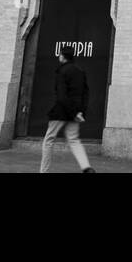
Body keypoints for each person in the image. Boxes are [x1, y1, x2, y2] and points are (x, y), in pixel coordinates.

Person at [40, 44, 95, 174]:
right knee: (74, 139)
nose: (59, 56)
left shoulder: (62, 71)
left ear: (63, 57)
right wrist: (80, 111)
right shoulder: (80, 71)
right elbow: (85, 93)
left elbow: (62, 96)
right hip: (75, 112)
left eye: (60, 54)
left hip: (61, 112)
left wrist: (74, 112)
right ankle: (86, 167)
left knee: (49, 140)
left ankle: (44, 171)